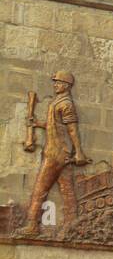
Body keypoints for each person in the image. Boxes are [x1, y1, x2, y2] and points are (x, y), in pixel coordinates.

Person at [18, 71, 90, 237]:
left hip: (56, 153)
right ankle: (72, 224)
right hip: (59, 153)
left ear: (66, 85)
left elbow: (72, 129)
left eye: (58, 82)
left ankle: (32, 225)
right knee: (67, 189)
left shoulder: (66, 104)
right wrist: (38, 124)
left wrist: (79, 152)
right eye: (55, 82)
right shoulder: (57, 102)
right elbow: (55, 125)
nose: (55, 85)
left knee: (40, 188)